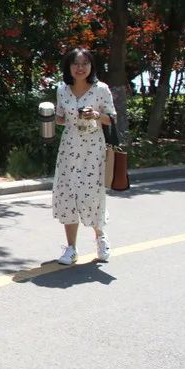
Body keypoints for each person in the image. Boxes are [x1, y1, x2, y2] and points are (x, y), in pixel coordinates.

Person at [52, 47, 116, 265]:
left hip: (93, 148)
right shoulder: (62, 89)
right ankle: (71, 248)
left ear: (91, 66)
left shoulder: (101, 89)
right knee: (67, 194)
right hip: (69, 147)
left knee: (91, 194)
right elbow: (62, 118)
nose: (80, 68)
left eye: (85, 64)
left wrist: (96, 115)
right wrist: (50, 117)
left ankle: (100, 237)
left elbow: (112, 118)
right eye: (76, 64)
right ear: (68, 67)